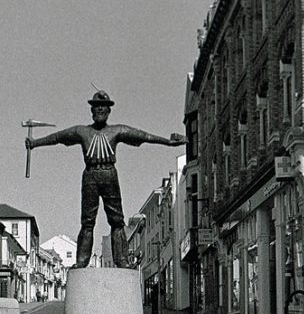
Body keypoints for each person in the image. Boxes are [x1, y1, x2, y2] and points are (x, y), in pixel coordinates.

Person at [25, 90, 185, 268]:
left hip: (109, 174)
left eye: (103, 108)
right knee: (87, 220)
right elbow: (57, 137)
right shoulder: (82, 131)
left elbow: (143, 136)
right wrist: (35, 143)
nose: (100, 110)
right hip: (90, 176)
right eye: (96, 108)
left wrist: (167, 142)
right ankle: (82, 260)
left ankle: (121, 260)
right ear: (91, 111)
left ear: (109, 112)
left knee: (117, 220)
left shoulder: (116, 130)